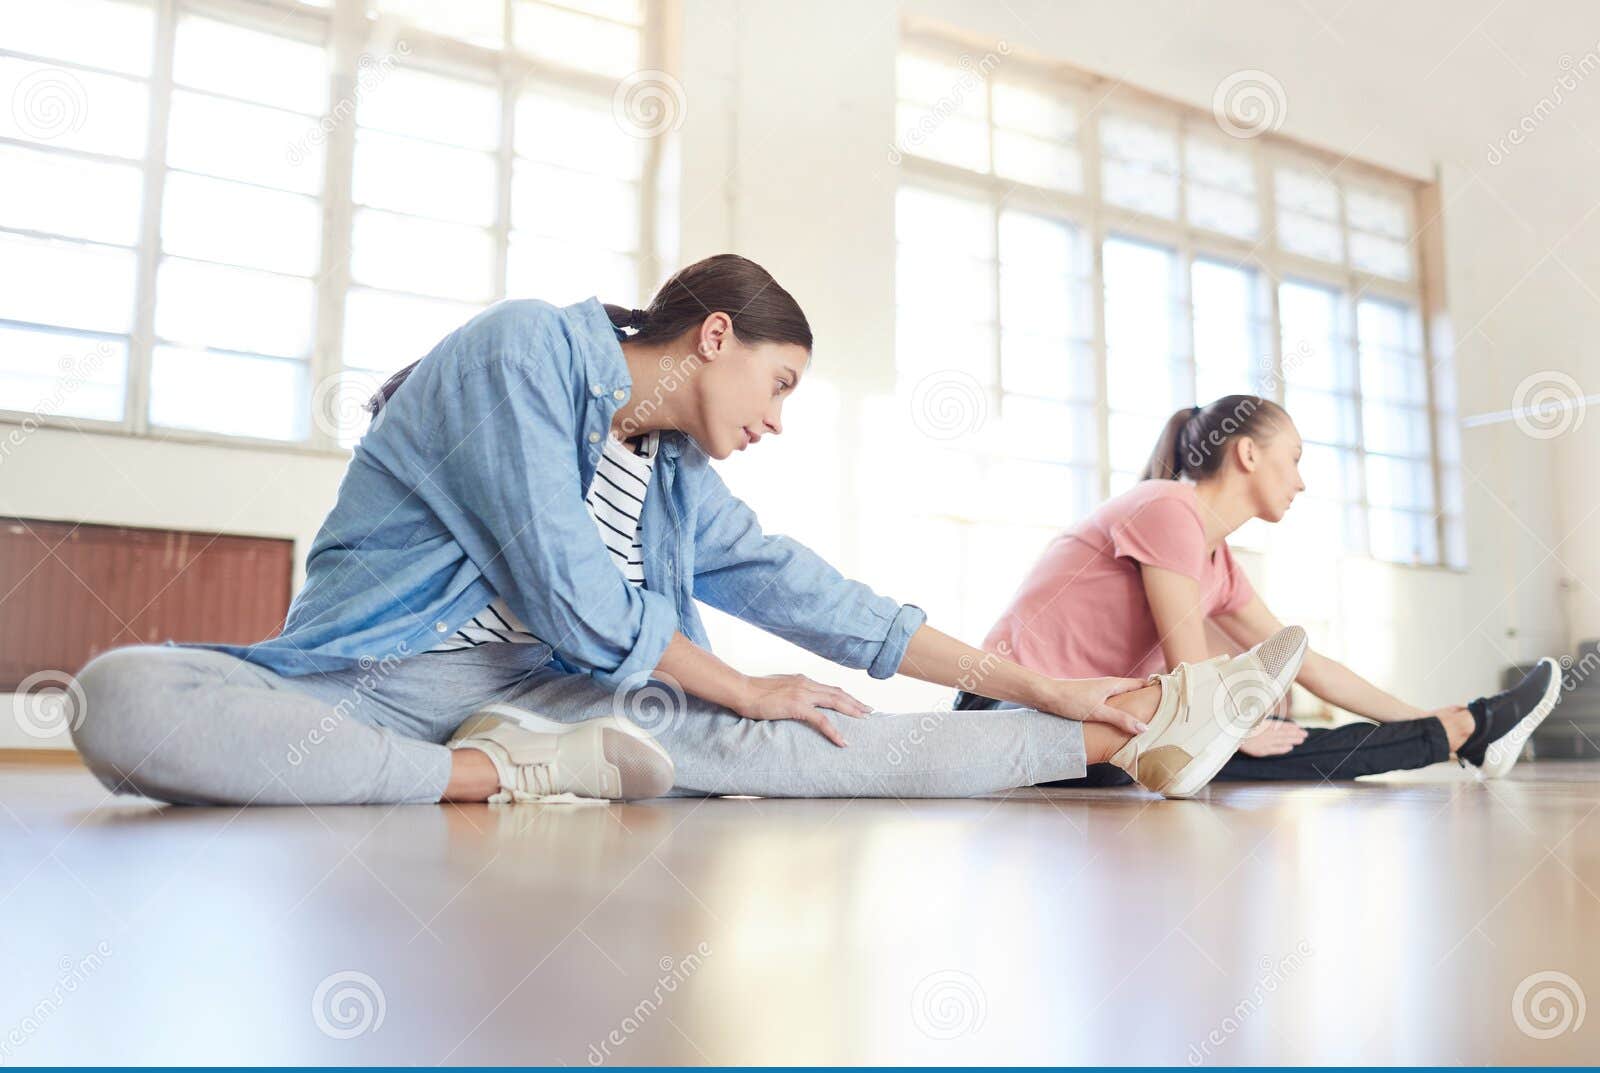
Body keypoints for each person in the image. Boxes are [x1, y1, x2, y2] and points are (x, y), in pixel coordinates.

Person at [68, 257, 1305, 807]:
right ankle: (490, 779)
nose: (777, 419)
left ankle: (1114, 750)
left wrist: (1041, 683)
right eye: (778, 384)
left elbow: (809, 590)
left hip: (568, 701)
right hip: (382, 689)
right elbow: (576, 598)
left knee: (817, 734)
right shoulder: (521, 354)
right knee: (123, 695)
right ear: (713, 334)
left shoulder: (672, 473)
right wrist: (731, 683)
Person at [956, 394, 1560, 785]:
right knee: (1240, 743)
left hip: (1102, 728)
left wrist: (1421, 711)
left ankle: (1460, 732)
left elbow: (1310, 666)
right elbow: (1190, 677)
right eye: (1294, 459)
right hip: (1011, 715)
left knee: (1264, 743)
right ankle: (1467, 732)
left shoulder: (1217, 561)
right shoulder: (1167, 510)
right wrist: (1238, 728)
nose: (1301, 481)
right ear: (1247, 453)